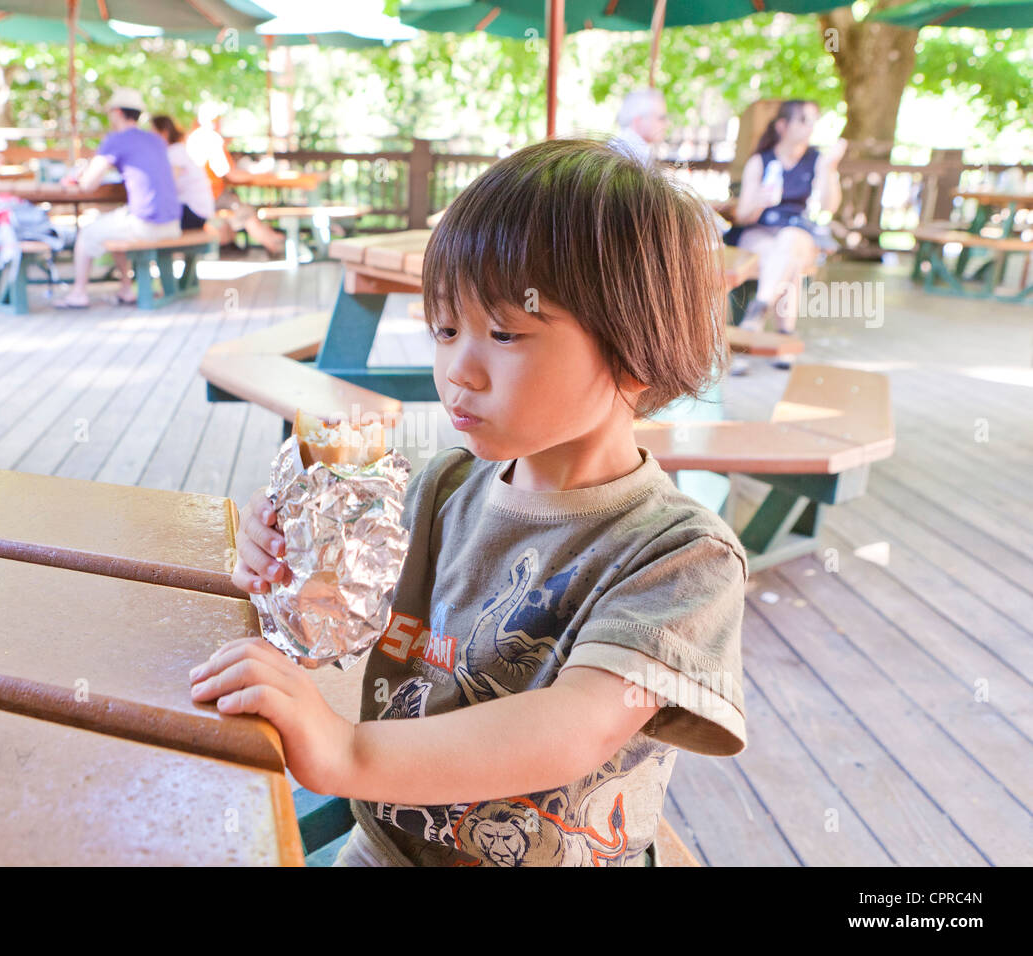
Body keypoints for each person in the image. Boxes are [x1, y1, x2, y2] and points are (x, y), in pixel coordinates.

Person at [192, 139, 749, 867]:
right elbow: (338, 624)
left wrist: (348, 750)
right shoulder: (444, 490)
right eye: (446, 330)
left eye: (505, 334)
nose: (459, 371)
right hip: (391, 846)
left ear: (637, 353)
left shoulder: (680, 558)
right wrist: (285, 567)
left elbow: (572, 728)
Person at [725, 99, 846, 370]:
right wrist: (759, 201)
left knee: (789, 242)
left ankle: (753, 321)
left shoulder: (817, 160)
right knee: (786, 262)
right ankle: (783, 337)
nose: (810, 127)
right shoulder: (761, 160)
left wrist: (830, 170)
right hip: (760, 231)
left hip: (796, 231)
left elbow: (829, 207)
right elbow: (743, 215)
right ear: (782, 126)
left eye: (813, 121)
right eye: (803, 120)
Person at [55, 89, 182, 309]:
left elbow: (88, 184)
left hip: (147, 224)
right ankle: (126, 288)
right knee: (114, 226)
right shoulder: (155, 140)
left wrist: (79, 176)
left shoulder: (116, 140)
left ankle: (78, 294)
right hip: (173, 223)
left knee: (87, 233)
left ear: (117, 112)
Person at [184, 104, 285, 258]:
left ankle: (234, 244)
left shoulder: (192, 137)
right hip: (208, 195)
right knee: (245, 212)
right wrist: (256, 175)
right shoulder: (211, 139)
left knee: (234, 200)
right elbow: (230, 174)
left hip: (194, 196)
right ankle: (274, 245)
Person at [150, 114, 216, 231]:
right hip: (196, 210)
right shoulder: (177, 150)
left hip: (194, 212)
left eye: (152, 132)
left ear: (164, 133)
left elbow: (168, 186)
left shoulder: (174, 152)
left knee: (150, 224)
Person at [613, 88, 669, 165]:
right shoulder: (632, 154)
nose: (667, 123)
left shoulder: (622, 145)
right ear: (638, 121)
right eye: (661, 118)